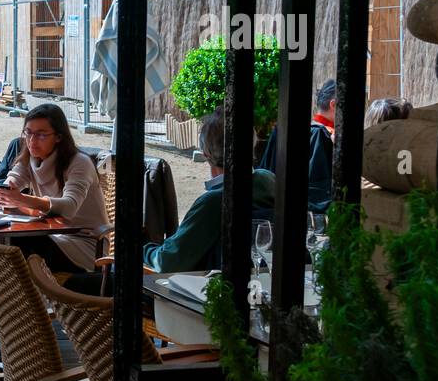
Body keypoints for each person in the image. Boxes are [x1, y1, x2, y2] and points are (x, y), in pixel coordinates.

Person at [143, 108, 275, 273]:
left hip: (219, 291)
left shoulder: (215, 201)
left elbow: (167, 262)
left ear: (205, 153)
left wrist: (143, 248)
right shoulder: (269, 180)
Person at [0, 102, 108, 274]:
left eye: (41, 135)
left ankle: (26, 298)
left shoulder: (79, 162)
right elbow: (13, 179)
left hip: (86, 245)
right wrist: (2, 193)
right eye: (28, 133)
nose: (31, 140)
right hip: (53, 234)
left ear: (59, 137)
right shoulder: (29, 158)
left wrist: (21, 199)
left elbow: (69, 206)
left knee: (16, 243)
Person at [258, 77, 335, 213]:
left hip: (273, 209)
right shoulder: (323, 136)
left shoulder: (281, 130)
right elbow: (321, 194)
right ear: (333, 105)